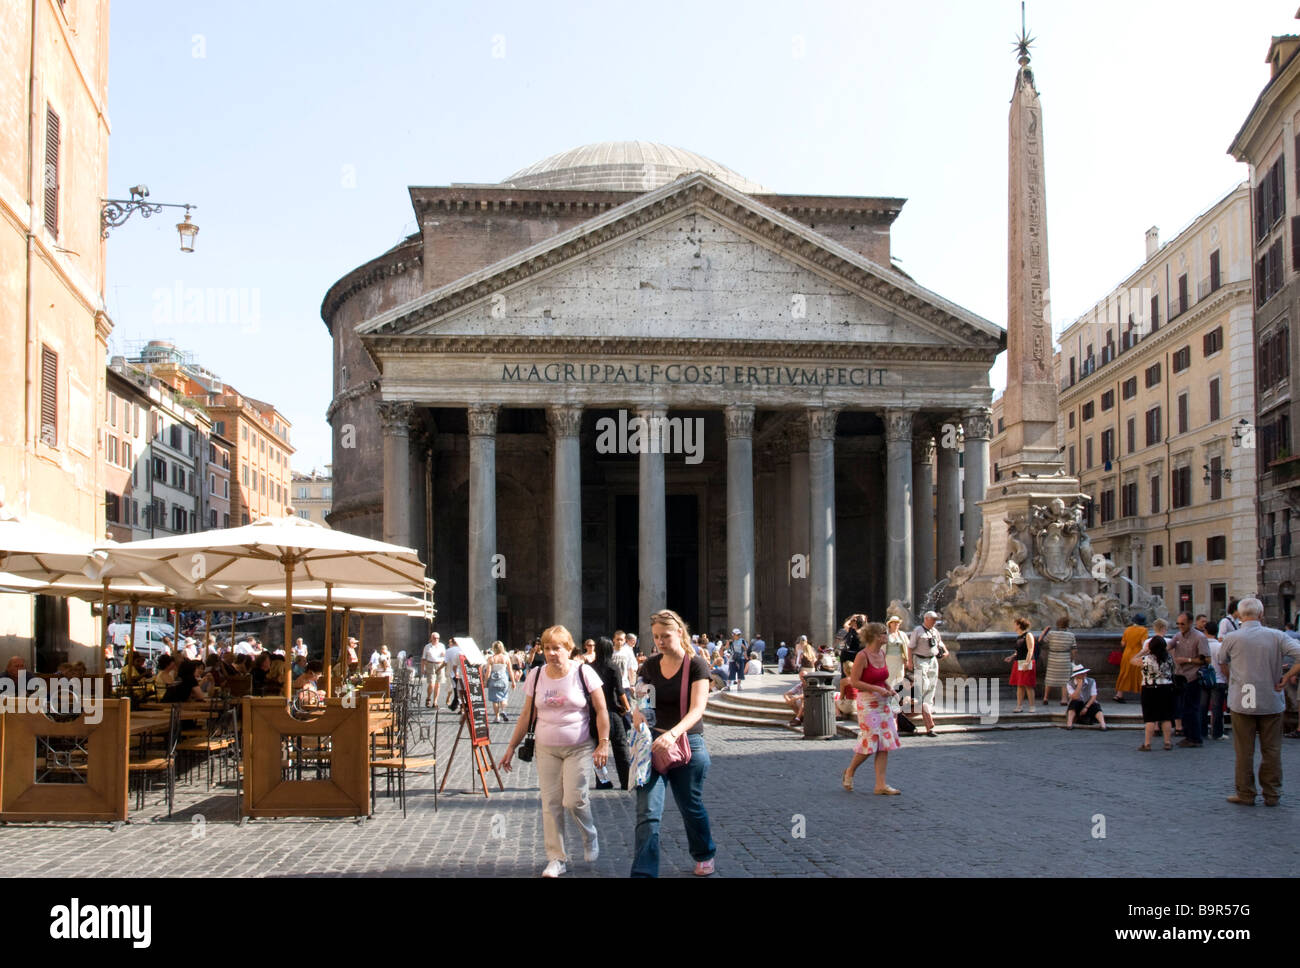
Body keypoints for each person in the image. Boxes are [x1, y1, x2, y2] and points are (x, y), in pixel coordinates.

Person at [501, 625, 610, 877]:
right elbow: (527, 714)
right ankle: (556, 858)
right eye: (547, 648)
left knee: (574, 800)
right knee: (550, 803)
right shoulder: (536, 675)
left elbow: (602, 710)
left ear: (569, 649)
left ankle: (589, 833)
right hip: (545, 747)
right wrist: (510, 747)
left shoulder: (584, 672)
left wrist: (603, 742)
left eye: (557, 648)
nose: (551, 653)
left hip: (579, 746)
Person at [630, 608, 716, 878]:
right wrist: (638, 712)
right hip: (653, 744)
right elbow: (644, 698)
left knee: (690, 806)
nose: (660, 641)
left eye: (665, 635)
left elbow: (697, 708)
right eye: (656, 636)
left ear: (680, 632)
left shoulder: (697, 664)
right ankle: (644, 873)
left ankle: (704, 853)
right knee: (647, 812)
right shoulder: (651, 665)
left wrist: (673, 734)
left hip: (688, 742)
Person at [1220, 598, 1300, 806]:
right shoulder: (1276, 636)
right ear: (1261, 615)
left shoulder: (1232, 637)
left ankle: (1246, 793)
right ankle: (1272, 794)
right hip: (1270, 697)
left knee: (1244, 751)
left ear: (1239, 615)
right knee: (1272, 749)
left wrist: (1232, 680)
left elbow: (1221, 662)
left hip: (1242, 697)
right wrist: (1286, 676)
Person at [841, 622, 902, 794]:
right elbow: (854, 681)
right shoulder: (862, 656)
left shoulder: (882, 653)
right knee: (871, 740)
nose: (887, 635)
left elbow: (881, 677)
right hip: (867, 702)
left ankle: (880, 785)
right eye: (884, 633)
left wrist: (890, 689)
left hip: (883, 702)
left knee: (884, 743)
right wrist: (877, 689)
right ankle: (850, 771)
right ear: (876, 636)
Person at [591, 636, 631, 790]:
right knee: (621, 748)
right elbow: (620, 691)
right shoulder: (613, 667)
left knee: (598, 749)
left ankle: (602, 781)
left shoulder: (590, 667)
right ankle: (626, 781)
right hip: (612, 712)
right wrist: (627, 708)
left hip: (595, 713)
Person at [1133, 621, 1175, 751]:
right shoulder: (1168, 659)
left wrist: (1144, 651)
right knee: (1166, 717)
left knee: (1150, 717)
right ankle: (1167, 742)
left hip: (1149, 688)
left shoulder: (1147, 659)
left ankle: (1147, 743)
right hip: (1166, 687)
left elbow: (1132, 660)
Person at [1170, 611, 1210, 748]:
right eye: (1178, 623)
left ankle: (1195, 738)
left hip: (1193, 676)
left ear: (1190, 623)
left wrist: (1186, 660)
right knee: (1183, 708)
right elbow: (1168, 646)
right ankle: (1188, 735)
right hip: (1180, 677)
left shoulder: (1200, 637)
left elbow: (1207, 660)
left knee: (1192, 708)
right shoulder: (1178, 636)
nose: (1180, 626)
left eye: (1183, 623)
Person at [907, 611, 947, 737]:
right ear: (926, 619)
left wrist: (945, 651)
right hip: (920, 660)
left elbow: (940, 643)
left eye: (936, 619)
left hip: (932, 660)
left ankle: (928, 726)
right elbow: (910, 647)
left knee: (931, 687)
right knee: (923, 686)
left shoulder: (935, 631)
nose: (935, 621)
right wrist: (909, 662)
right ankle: (926, 720)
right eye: (933, 619)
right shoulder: (918, 630)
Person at [1040, 616, 1077, 707]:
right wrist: (1072, 659)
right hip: (1065, 658)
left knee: (1050, 678)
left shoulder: (1051, 634)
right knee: (1065, 680)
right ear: (1067, 625)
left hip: (1053, 657)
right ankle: (1064, 699)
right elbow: (1074, 650)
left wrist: (1045, 631)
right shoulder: (1071, 635)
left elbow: (1041, 641)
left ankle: (1045, 697)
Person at [1005, 616, 1037, 713]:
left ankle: (1032, 706)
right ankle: (1019, 706)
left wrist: (1027, 662)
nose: (1014, 626)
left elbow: (1030, 649)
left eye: (1015, 624)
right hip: (1018, 662)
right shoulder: (1018, 637)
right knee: (1020, 685)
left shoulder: (1028, 635)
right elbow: (1018, 652)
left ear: (1019, 625)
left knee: (1028, 685)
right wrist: (1011, 657)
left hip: (1027, 662)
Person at [1113, 613, 1147, 703]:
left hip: (1127, 654)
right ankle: (1143, 695)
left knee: (1124, 673)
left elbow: (1123, 644)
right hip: (1137, 654)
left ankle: (1119, 695)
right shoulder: (1143, 630)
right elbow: (1143, 643)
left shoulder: (1127, 629)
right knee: (1140, 674)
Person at [783, 639, 819, 725]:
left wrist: (795, 698)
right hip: (812, 669)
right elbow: (815, 662)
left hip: (811, 701)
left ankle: (798, 718)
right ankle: (800, 716)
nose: (802, 679)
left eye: (803, 678)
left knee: (803, 700)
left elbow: (807, 695)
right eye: (801, 678)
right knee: (794, 700)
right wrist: (788, 699)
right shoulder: (812, 654)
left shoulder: (803, 654)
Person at [1064, 664, 1107, 730]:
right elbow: (1074, 697)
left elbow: (1094, 696)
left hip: (1088, 703)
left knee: (1096, 706)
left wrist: (1086, 707)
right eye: (1082, 673)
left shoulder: (1091, 681)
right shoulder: (1070, 683)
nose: (1085, 674)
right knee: (1073, 703)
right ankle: (1069, 724)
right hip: (1077, 704)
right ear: (1076, 675)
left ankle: (1103, 724)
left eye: (1084, 673)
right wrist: (1079, 685)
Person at [485, 641, 515, 723]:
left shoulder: (491, 658)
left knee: (495, 700)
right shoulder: (506, 658)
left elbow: (488, 671)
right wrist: (513, 681)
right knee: (504, 697)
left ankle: (497, 717)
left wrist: (485, 681)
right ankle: (503, 710)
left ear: (493, 648)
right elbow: (510, 671)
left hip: (493, 680)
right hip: (503, 679)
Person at [883, 615, 909, 689]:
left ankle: (898, 695)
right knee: (890, 677)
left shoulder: (902, 634)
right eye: (894, 622)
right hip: (889, 659)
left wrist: (907, 659)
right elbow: (882, 648)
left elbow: (907, 646)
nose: (896, 624)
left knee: (900, 676)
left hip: (900, 659)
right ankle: (889, 694)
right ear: (890, 624)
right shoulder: (886, 634)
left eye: (897, 623)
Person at [422, 632, 447, 707]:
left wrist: (444, 655)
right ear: (431, 638)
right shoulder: (427, 646)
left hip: (440, 665)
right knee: (431, 684)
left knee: (438, 684)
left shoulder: (442, 645)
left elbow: (445, 656)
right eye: (435, 638)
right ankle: (428, 698)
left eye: (438, 638)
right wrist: (422, 668)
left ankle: (435, 701)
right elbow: (423, 658)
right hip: (430, 665)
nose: (436, 639)